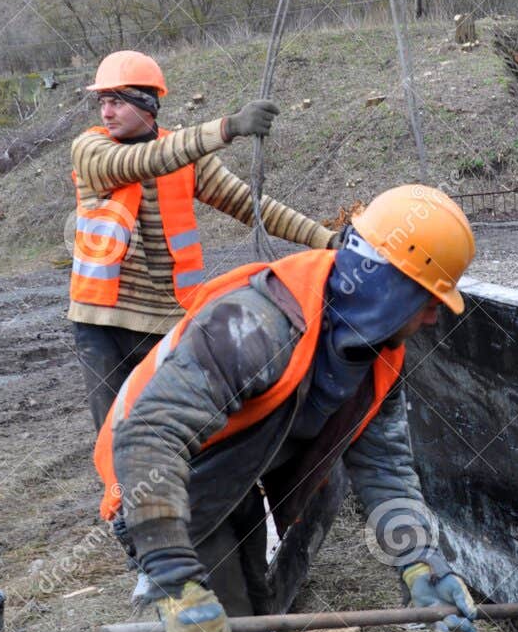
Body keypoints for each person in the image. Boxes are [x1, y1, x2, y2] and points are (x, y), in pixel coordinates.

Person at [94, 184, 480, 632]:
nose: (432, 317)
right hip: (166, 494)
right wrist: (175, 575)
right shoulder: (258, 324)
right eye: (428, 298)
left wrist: (420, 561)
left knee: (254, 614)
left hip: (238, 481)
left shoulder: (378, 353)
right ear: (387, 283)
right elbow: (150, 437)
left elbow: (385, 469)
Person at [68, 49, 336, 428]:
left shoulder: (187, 158)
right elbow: (144, 161)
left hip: (167, 321)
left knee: (171, 428)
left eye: (116, 102)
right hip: (101, 324)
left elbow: (251, 206)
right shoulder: (91, 150)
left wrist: (326, 239)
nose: (106, 113)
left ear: (147, 105)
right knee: (114, 431)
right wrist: (227, 128)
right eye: (102, 102)